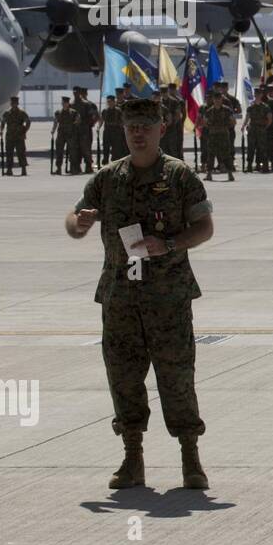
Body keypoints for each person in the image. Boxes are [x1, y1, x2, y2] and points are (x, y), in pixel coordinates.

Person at [65, 96, 214, 491]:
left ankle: (190, 456)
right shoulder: (108, 178)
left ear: (161, 130)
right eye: (132, 126)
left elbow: (204, 229)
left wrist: (167, 244)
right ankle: (133, 458)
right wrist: (78, 223)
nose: (138, 133)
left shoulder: (180, 176)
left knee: (176, 375)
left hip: (168, 296)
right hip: (120, 297)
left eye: (146, 126)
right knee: (123, 377)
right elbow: (73, 223)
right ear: (124, 130)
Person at [196, 90, 236, 182]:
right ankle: (209, 174)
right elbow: (205, 123)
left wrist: (225, 126)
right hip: (213, 135)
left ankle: (230, 174)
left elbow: (233, 121)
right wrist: (211, 127)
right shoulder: (209, 111)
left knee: (226, 154)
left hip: (223, 134)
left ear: (221, 99)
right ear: (213, 100)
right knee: (211, 154)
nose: (217, 101)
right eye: (215, 99)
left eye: (219, 99)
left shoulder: (227, 110)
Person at [0, 95, 31, 175]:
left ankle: (23, 170)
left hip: (19, 137)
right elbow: (2, 123)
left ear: (17, 103)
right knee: (9, 153)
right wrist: (1, 130)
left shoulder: (22, 113)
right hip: (9, 137)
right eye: (12, 103)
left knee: (21, 153)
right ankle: (9, 170)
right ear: (11, 103)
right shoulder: (7, 114)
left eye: (15, 103)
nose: (13, 104)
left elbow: (28, 122)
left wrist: (24, 131)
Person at [243, 92, 272, 172]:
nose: (257, 96)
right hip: (252, 129)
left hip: (261, 129)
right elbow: (247, 117)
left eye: (259, 95)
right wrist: (243, 126)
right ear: (254, 96)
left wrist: (265, 127)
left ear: (261, 95)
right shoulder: (251, 107)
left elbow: (269, 119)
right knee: (251, 148)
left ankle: (265, 165)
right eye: (256, 95)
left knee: (262, 148)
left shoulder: (265, 107)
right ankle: (249, 165)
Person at [52, 95, 80, 174]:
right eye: (63, 103)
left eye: (66, 103)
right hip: (61, 134)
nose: (64, 104)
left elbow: (78, 120)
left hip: (70, 134)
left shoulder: (73, 112)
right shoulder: (58, 112)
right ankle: (58, 168)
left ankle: (73, 168)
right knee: (59, 151)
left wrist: (73, 124)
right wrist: (53, 130)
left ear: (68, 103)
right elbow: (55, 122)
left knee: (72, 152)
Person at [74, 87, 99, 174]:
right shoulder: (73, 104)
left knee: (86, 148)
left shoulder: (89, 104)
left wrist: (91, 124)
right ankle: (77, 166)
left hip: (86, 130)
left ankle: (88, 166)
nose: (82, 95)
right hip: (76, 130)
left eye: (84, 94)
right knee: (76, 149)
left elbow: (96, 116)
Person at [98, 95, 123, 165]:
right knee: (106, 148)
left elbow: (122, 121)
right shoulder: (105, 111)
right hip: (107, 132)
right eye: (108, 102)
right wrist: (98, 127)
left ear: (114, 102)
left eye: (110, 101)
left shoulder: (118, 111)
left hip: (116, 132)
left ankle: (115, 163)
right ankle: (105, 162)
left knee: (116, 149)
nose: (109, 103)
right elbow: (101, 120)